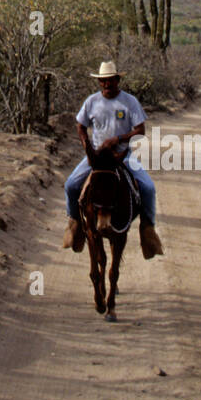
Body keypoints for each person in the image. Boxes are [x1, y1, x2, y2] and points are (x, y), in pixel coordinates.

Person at [62, 60, 164, 259]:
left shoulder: (129, 101)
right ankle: (74, 225)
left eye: (110, 80)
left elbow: (140, 130)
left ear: (117, 80)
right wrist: (86, 145)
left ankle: (148, 230)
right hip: (98, 157)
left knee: (148, 188)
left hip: (123, 155)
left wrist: (118, 139)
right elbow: (80, 125)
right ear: (99, 82)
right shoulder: (91, 102)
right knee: (71, 185)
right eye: (103, 81)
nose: (107, 84)